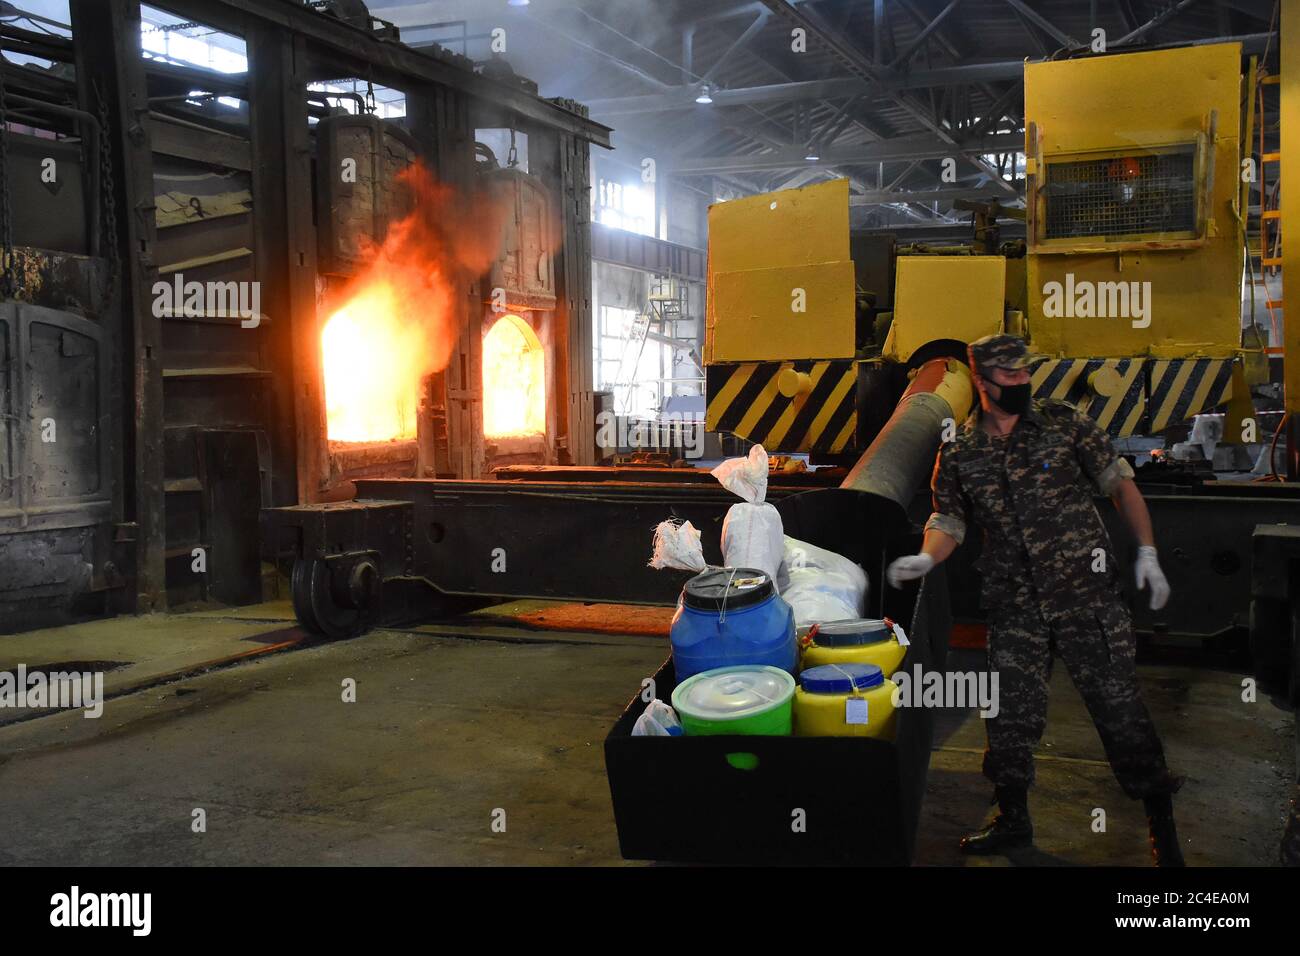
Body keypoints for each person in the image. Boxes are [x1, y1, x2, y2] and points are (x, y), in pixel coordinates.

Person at [886, 333, 1185, 866]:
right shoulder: (960, 451)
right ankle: (1012, 821)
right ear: (981, 381)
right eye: (1010, 376)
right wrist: (928, 558)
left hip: (1085, 598)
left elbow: (1120, 486)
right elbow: (948, 521)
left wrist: (1147, 553)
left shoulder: (1064, 424)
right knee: (1009, 718)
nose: (1023, 383)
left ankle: (1162, 827)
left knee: (1120, 712)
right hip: (1016, 605)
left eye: (1026, 373)